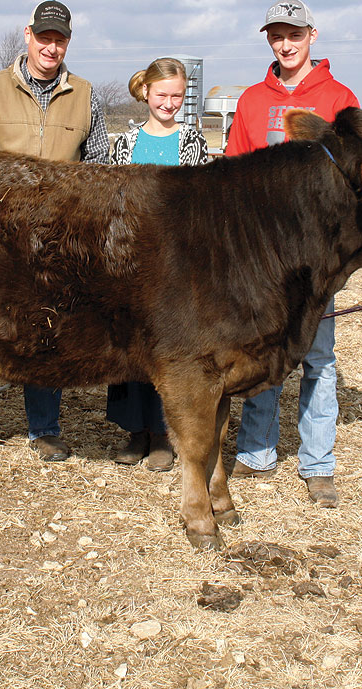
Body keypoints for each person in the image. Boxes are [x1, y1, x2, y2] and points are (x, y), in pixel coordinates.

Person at [0, 0, 109, 462]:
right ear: (27, 35)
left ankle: (45, 429)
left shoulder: (85, 93)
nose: (51, 46)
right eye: (44, 37)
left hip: (56, 240)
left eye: (59, 39)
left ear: (68, 42)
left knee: (48, 330)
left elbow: (96, 165)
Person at [223, 0, 358, 508]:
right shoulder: (252, 101)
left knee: (318, 357)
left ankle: (318, 463)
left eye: (294, 34)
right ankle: (257, 451)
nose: (286, 43)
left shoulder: (341, 99)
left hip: (315, 255)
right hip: (261, 256)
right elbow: (234, 172)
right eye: (277, 35)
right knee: (263, 351)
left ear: (312, 36)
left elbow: (353, 178)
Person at [106, 57, 211, 471]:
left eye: (177, 97)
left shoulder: (193, 141)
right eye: (162, 95)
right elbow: (112, 204)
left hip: (175, 265)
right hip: (132, 263)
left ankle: (164, 434)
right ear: (145, 93)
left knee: (170, 353)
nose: (169, 103)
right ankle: (136, 432)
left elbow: (201, 203)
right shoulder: (124, 143)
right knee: (132, 349)